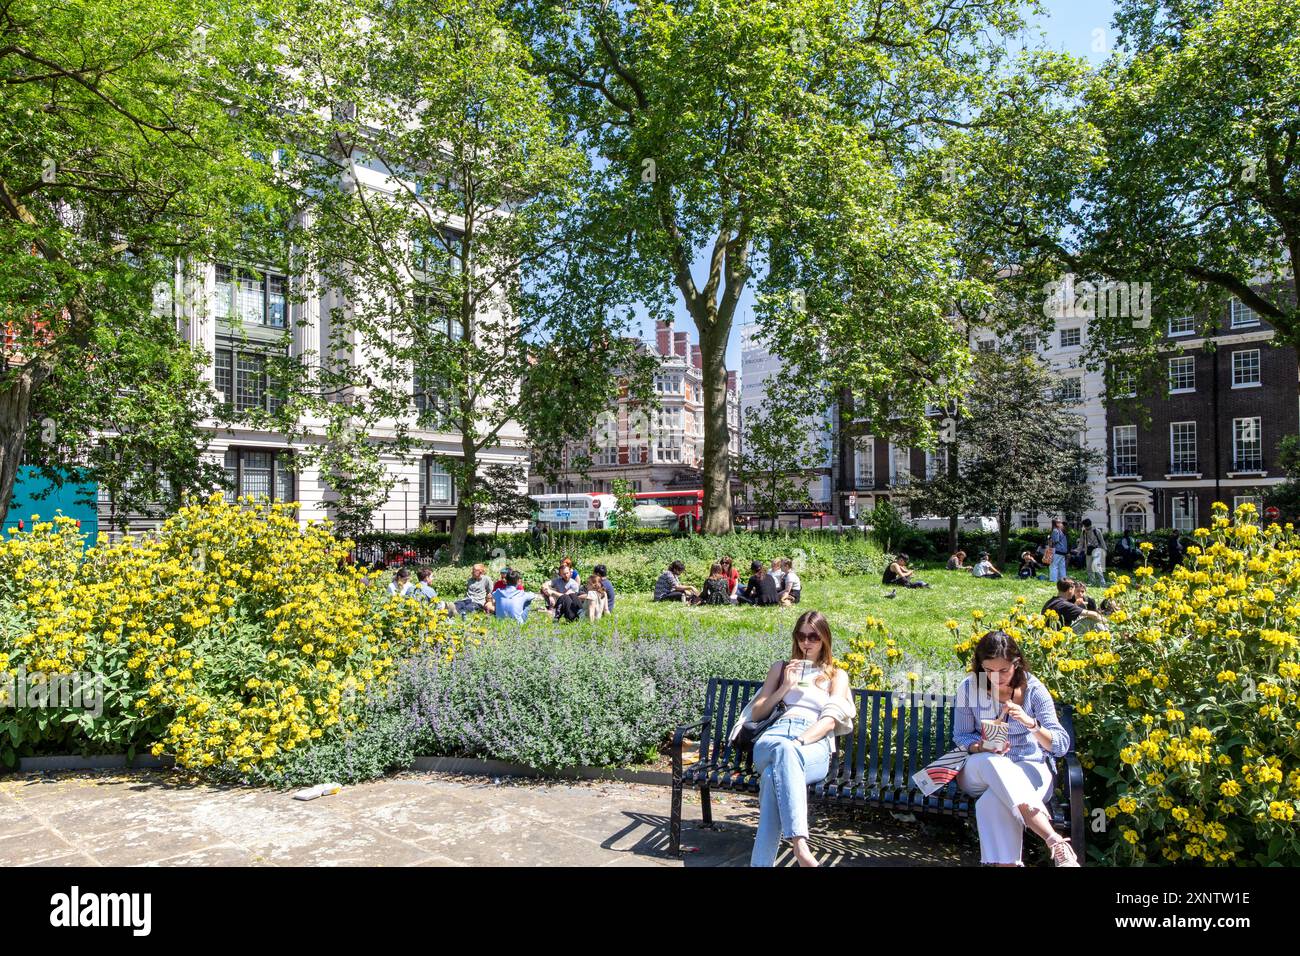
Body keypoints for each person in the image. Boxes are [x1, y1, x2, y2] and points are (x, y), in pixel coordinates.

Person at [953, 629, 1079, 866]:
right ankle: (1054, 840)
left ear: (1016, 663)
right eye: (989, 670)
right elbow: (960, 736)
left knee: (992, 801)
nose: (996, 677)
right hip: (980, 766)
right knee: (994, 762)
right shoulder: (971, 688)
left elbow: (1060, 745)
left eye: (1004, 670)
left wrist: (1031, 724)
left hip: (1028, 765)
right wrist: (982, 747)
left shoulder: (1033, 689)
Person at [747, 611, 855, 867]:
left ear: (825, 639)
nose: (806, 642)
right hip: (772, 738)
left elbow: (830, 720)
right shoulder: (781, 668)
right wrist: (785, 687)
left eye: (813, 636)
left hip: (812, 743)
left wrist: (797, 743)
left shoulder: (835, 676)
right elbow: (757, 712)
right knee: (782, 751)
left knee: (774, 777)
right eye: (801, 636)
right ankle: (799, 845)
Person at [1041, 578, 1106, 630]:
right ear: (1070, 589)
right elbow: (1094, 614)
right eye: (1075, 590)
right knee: (1092, 620)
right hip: (1062, 634)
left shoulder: (1050, 602)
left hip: (1048, 631)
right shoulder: (1065, 605)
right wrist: (1104, 621)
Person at [1081, 518, 1107, 587]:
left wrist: (1105, 549)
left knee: (1097, 567)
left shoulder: (1096, 531)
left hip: (1097, 550)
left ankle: (1102, 583)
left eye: (1085, 526)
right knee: (1089, 567)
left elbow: (1102, 541)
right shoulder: (1084, 532)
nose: (1085, 527)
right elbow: (1081, 542)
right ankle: (1091, 581)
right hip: (1088, 550)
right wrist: (1078, 550)